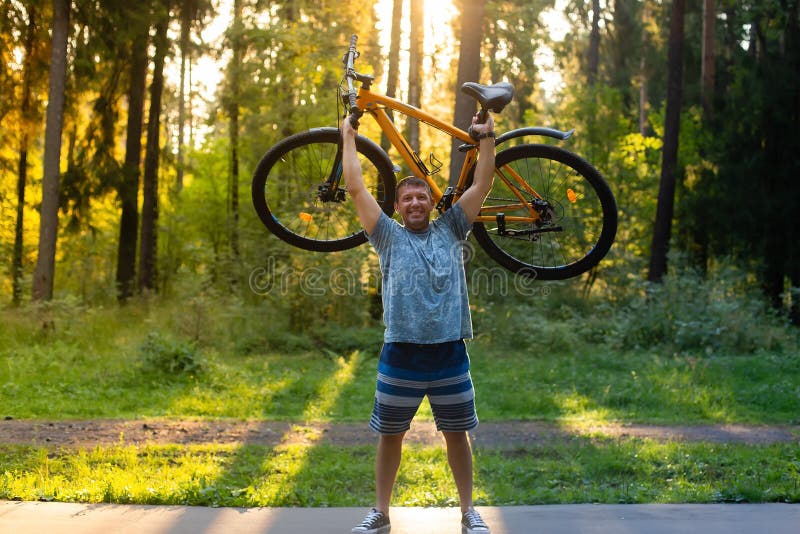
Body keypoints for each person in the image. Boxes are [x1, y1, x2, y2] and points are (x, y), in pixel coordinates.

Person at [343, 111, 496, 534]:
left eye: (421, 197)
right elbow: (355, 187)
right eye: (406, 199)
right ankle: (380, 514)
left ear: (431, 202)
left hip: (449, 354)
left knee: (457, 435)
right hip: (401, 355)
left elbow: (482, 184)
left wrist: (487, 139)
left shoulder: (453, 228)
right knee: (390, 437)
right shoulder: (386, 235)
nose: (414, 203)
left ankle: (469, 512)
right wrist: (348, 135)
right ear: (397, 207)